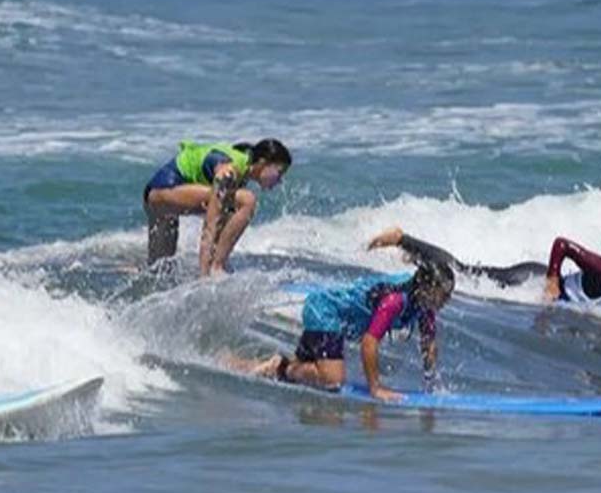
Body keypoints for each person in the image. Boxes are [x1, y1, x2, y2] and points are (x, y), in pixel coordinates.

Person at [252, 226, 456, 402]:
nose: (446, 301)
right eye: (442, 295)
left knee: (310, 372)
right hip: (325, 311)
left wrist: (431, 385)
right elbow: (369, 342)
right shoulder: (395, 301)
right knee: (333, 381)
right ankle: (282, 367)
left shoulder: (423, 303)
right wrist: (375, 388)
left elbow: (428, 344)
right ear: (426, 288)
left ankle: (266, 367)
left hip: (336, 320)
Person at [143, 138, 292, 276]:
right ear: (262, 162)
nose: (280, 181)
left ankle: (126, 267)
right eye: (279, 173)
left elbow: (219, 220)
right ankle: (217, 266)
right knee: (247, 200)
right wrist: (206, 275)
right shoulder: (229, 171)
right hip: (161, 193)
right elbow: (211, 223)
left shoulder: (241, 170)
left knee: (159, 270)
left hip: (161, 200)